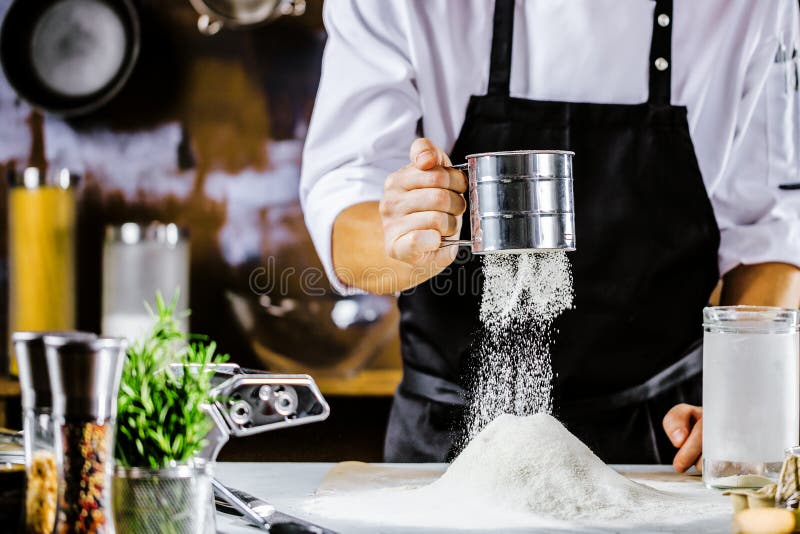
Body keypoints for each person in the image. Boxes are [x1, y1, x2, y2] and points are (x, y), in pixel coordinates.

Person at [300, 0, 800, 469]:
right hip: (451, 442)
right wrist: (406, 241)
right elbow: (346, 205)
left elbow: (768, 228)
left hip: (662, 438)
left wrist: (747, 392)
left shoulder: (751, 8)